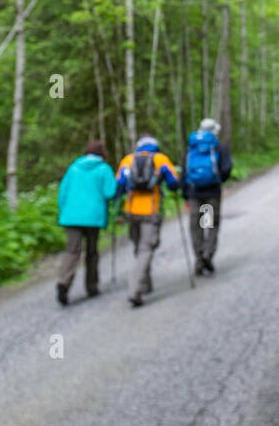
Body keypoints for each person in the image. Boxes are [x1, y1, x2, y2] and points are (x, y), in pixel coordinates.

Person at [115, 135, 180, 308]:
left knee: (139, 248)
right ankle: (135, 289)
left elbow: (118, 185)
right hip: (151, 211)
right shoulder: (160, 159)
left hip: (131, 211)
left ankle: (146, 284)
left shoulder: (127, 160)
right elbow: (174, 184)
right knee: (146, 249)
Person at [55, 139, 120, 306]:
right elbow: (110, 192)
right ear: (102, 153)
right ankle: (92, 286)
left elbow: (62, 193)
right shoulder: (104, 169)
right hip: (93, 217)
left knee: (72, 251)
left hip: (71, 216)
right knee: (92, 252)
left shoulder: (73, 168)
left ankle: (64, 282)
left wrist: (64, 212)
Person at [180, 118, 233, 275]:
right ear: (215, 131)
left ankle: (199, 258)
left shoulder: (192, 148)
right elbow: (227, 168)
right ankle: (208, 253)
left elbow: (184, 171)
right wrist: (218, 180)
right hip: (211, 193)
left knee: (196, 226)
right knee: (209, 224)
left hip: (195, 193)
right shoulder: (218, 147)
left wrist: (185, 194)